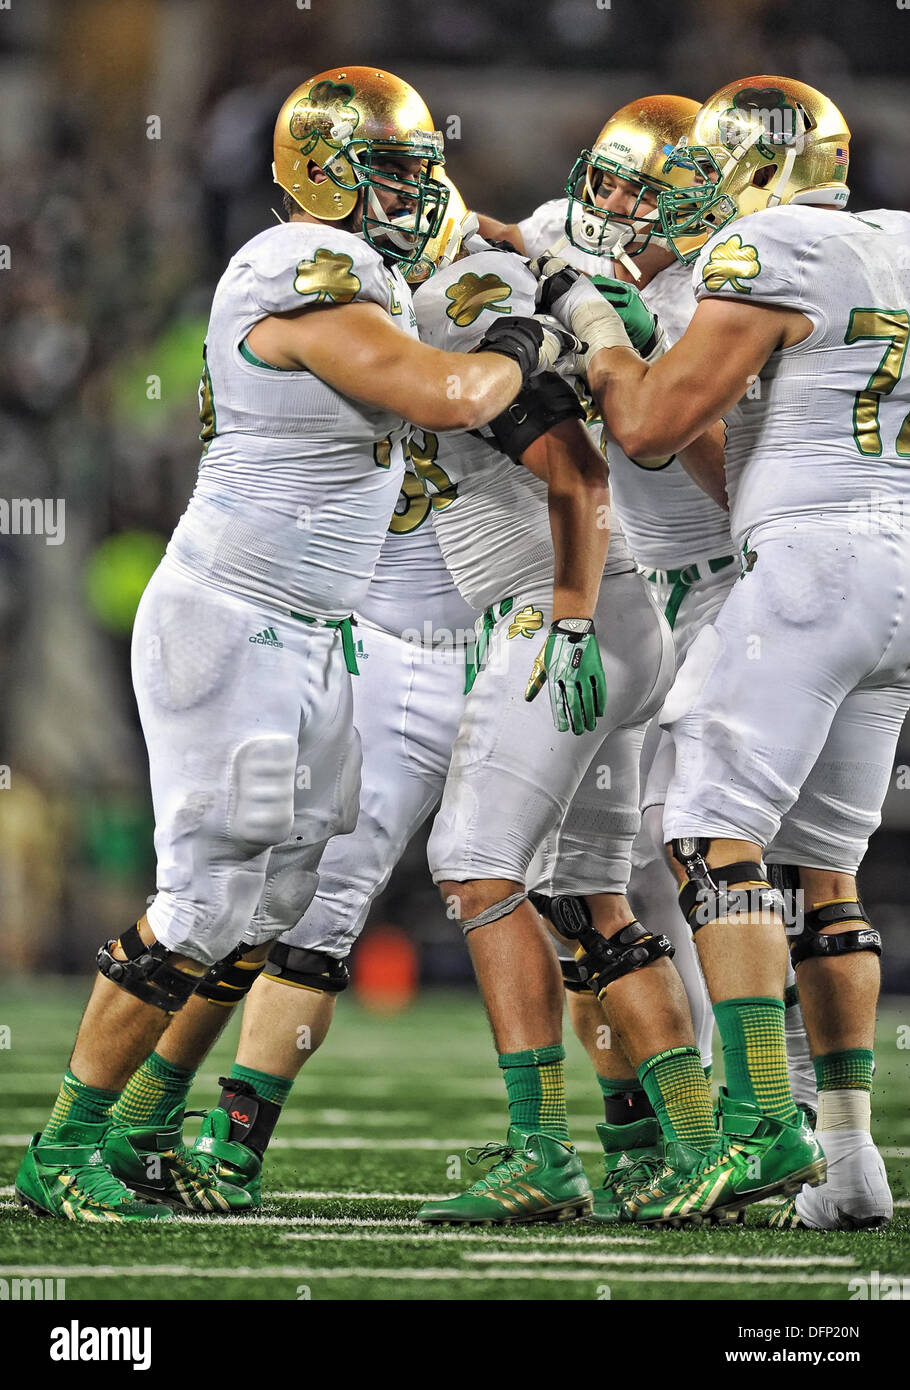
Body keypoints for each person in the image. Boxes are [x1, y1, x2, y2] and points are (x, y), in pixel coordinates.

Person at [15, 69, 579, 1222]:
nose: (416, 193)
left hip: (311, 627)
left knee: (278, 894)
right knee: (211, 895)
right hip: (235, 618)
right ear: (321, 168)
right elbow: (447, 389)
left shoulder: (366, 270)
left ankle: (143, 1133)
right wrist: (532, 333)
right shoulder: (295, 268)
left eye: (425, 169)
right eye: (393, 170)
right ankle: (64, 1148)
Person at [549, 73, 905, 1227]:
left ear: (755, 167)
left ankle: (759, 1124)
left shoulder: (771, 251)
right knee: (824, 878)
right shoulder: (891, 241)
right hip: (893, 566)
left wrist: (603, 339)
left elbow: (650, 426)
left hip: (811, 565)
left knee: (707, 834)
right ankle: (850, 1162)